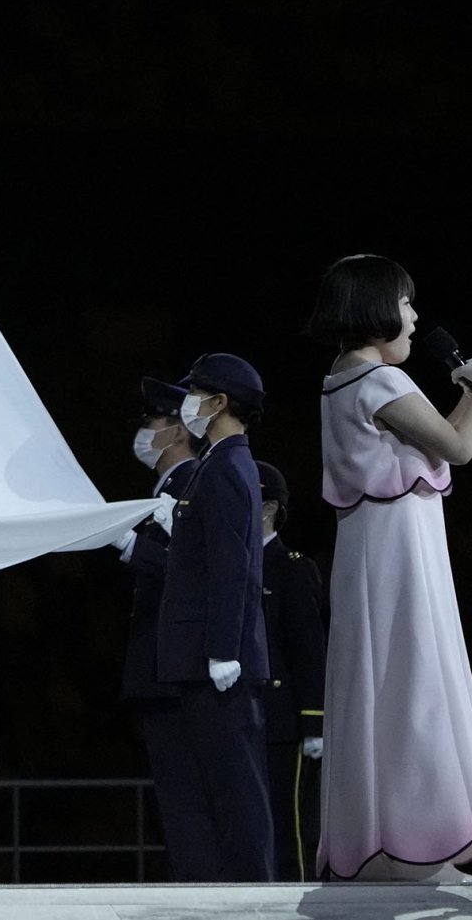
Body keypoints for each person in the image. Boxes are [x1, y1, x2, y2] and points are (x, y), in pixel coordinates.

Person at [307, 253, 472, 882]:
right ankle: (419, 852)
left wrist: (464, 400)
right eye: (404, 304)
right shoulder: (381, 382)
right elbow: (461, 447)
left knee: (383, 685)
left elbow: (434, 442)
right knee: (413, 680)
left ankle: (388, 845)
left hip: (375, 551)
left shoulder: (341, 378)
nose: (415, 318)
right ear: (373, 309)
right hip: (398, 557)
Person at [153, 351, 275, 881]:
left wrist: (224, 648)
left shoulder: (227, 466)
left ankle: (257, 891)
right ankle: (241, 887)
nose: (189, 405)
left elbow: (234, 568)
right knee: (223, 782)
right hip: (205, 651)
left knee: (237, 784)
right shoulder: (219, 462)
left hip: (216, 656)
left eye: (197, 394)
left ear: (219, 402)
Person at [112, 375, 216, 880]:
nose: (144, 430)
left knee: (185, 793)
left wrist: (129, 545)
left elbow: (188, 568)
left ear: (176, 430)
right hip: (165, 667)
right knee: (179, 794)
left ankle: (202, 891)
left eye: (151, 421)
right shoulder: (170, 489)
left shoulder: (188, 485)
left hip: (174, 667)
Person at [252, 459, 326, 881]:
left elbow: (308, 649)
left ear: (267, 507)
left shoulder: (290, 567)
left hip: (282, 719)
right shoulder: (235, 562)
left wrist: (313, 721)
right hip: (245, 715)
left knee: (290, 828)